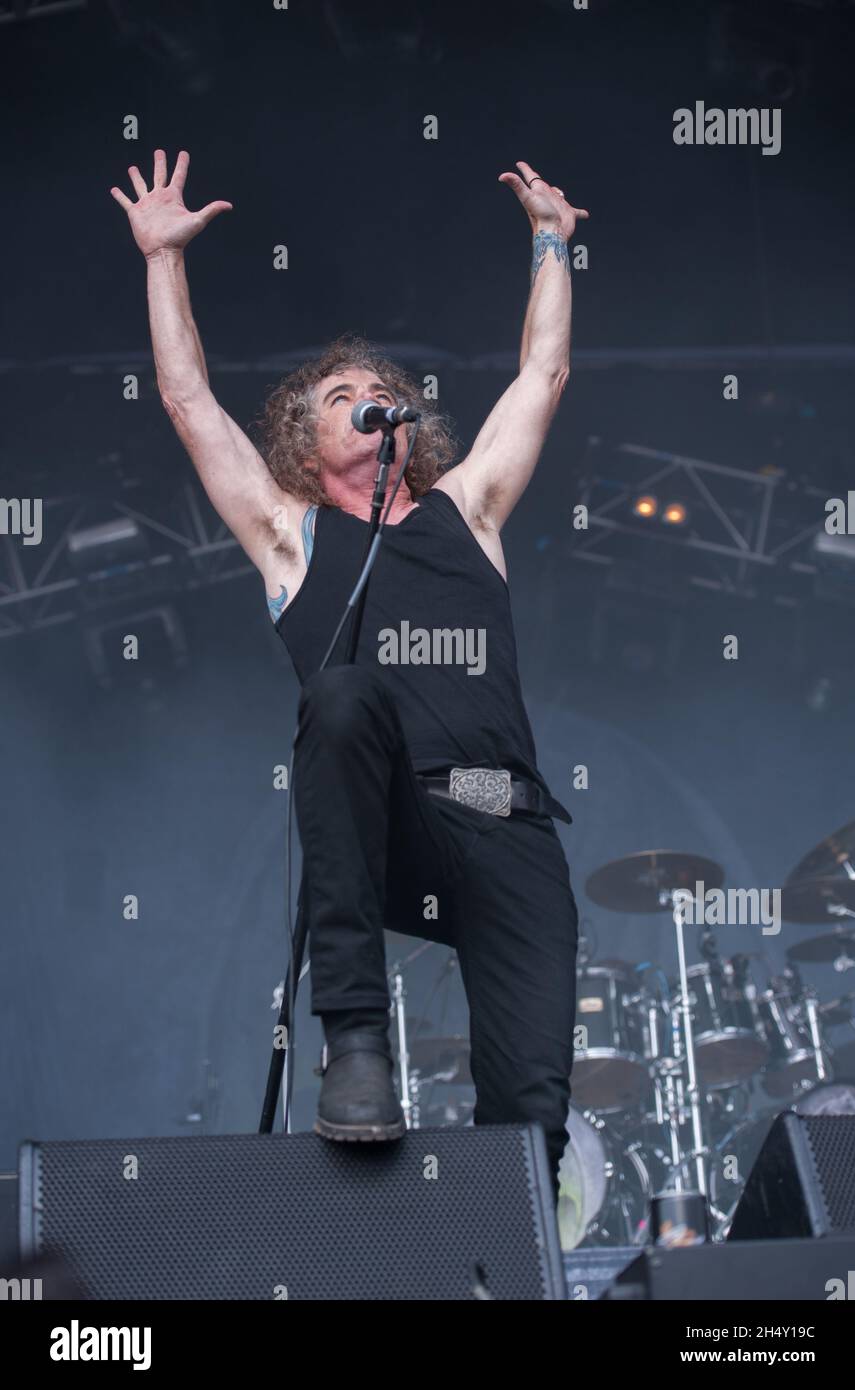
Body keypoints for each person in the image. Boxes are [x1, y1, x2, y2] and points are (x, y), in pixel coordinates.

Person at [111, 150, 587, 1186]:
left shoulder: (469, 511)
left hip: (503, 815)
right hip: (394, 813)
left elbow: (540, 376)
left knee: (530, 1120)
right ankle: (356, 1044)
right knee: (341, 695)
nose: (373, 398)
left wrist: (551, 239)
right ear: (307, 439)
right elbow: (189, 403)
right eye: (344, 393)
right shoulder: (292, 536)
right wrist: (161, 259)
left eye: (384, 391)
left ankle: (504, 1222)